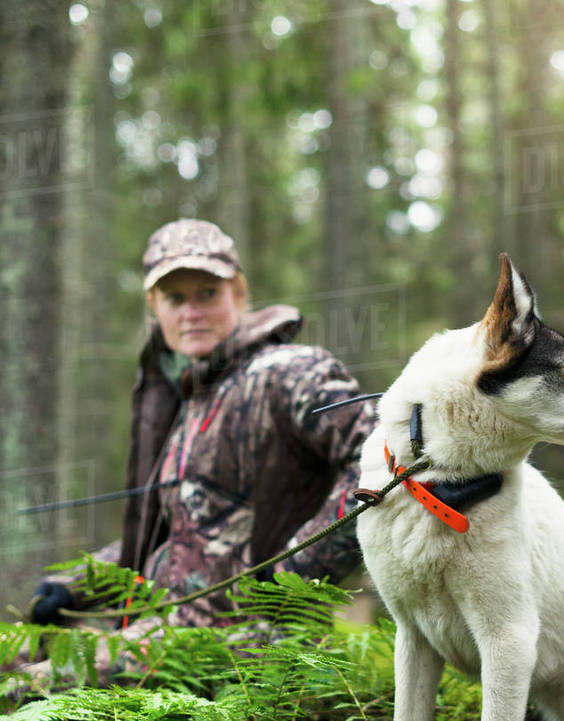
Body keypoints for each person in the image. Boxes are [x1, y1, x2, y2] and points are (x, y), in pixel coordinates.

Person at [20, 218, 376, 687]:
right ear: (155, 309)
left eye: (207, 292)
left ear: (238, 294)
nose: (191, 311)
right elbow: (176, 535)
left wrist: (294, 572)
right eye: (174, 298)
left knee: (20, 692)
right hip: (158, 630)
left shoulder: (289, 370)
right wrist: (72, 586)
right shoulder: (192, 401)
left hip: (239, 650)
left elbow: (382, 461)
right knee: (15, 654)